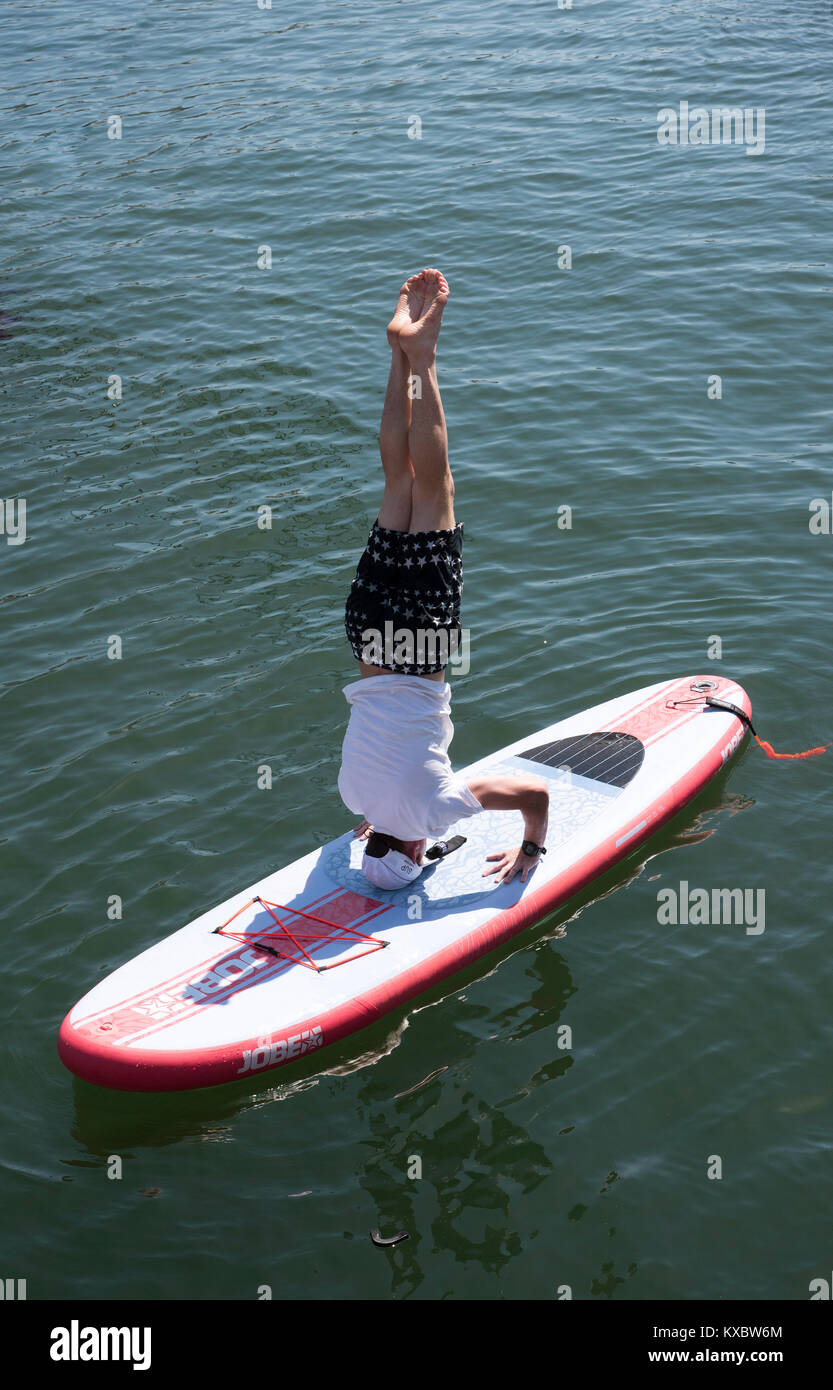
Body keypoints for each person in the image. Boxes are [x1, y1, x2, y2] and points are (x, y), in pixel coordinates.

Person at [338, 269, 549, 890]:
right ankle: (398, 353)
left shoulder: (433, 813)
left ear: (419, 849)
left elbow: (534, 792)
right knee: (397, 482)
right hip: (368, 637)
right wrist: (380, 820)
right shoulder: (356, 799)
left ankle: (422, 357)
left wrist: (530, 851)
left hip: (421, 643)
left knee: (435, 484)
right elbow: (384, 798)